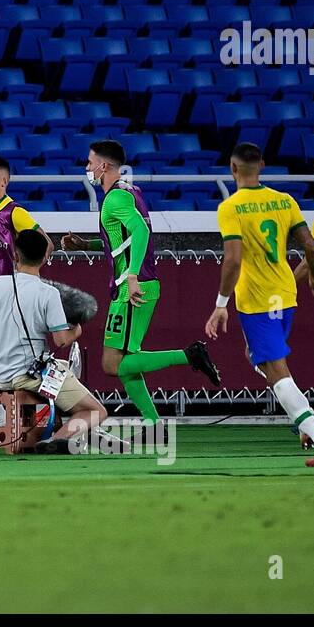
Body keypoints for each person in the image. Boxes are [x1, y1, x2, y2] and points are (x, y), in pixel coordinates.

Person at [61, 139, 220, 423]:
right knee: (125, 362)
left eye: (89, 162)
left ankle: (189, 355)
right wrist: (85, 244)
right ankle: (151, 421)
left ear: (103, 166)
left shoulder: (116, 198)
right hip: (138, 285)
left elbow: (140, 232)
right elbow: (123, 239)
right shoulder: (131, 191)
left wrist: (132, 275)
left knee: (114, 364)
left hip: (132, 288)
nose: (87, 167)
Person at [204, 143, 314, 466]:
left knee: (276, 370)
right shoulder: (284, 200)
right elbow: (310, 245)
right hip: (285, 293)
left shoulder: (231, 207)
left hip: (257, 299)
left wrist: (221, 303)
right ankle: (305, 419)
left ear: (233, 169)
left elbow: (233, 258)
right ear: (262, 166)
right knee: (259, 358)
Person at [0, 229, 104, 451]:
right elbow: (62, 341)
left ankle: (47, 432)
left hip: (1, 374)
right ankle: (58, 439)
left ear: (15, 255)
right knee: (95, 411)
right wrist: (77, 329)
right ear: (45, 258)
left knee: (62, 369)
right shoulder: (48, 293)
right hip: (33, 377)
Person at [0, 155, 53, 279]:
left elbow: (48, 244)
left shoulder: (14, 212)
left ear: (4, 181)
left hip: (10, 287)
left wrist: (27, 274)